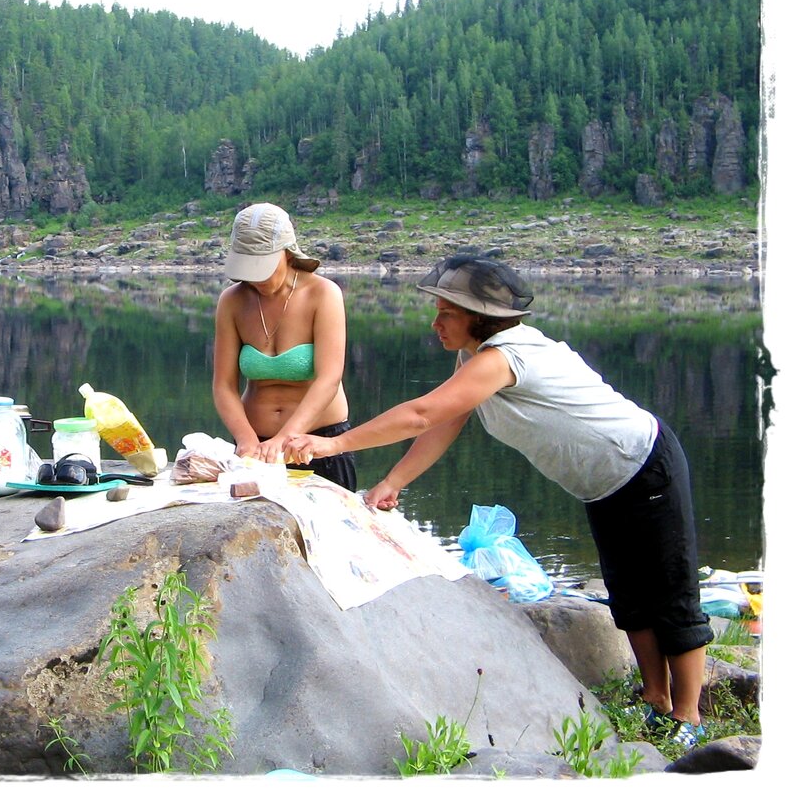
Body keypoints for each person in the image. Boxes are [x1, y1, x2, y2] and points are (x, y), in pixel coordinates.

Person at [285, 254, 713, 748]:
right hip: (604, 483)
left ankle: (689, 717)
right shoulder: (474, 359)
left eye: (447, 312)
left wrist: (335, 443)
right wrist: (394, 481)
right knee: (630, 594)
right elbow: (445, 421)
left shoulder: (505, 356)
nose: (435, 321)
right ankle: (656, 701)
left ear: (478, 317)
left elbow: (422, 413)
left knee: (670, 591)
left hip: (644, 464)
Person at [212, 203, 356, 490]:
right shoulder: (232, 301)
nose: (256, 277)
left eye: (263, 265)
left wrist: (286, 438)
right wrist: (245, 439)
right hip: (255, 449)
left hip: (316, 445)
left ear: (288, 251)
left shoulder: (323, 294)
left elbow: (329, 379)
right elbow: (223, 386)